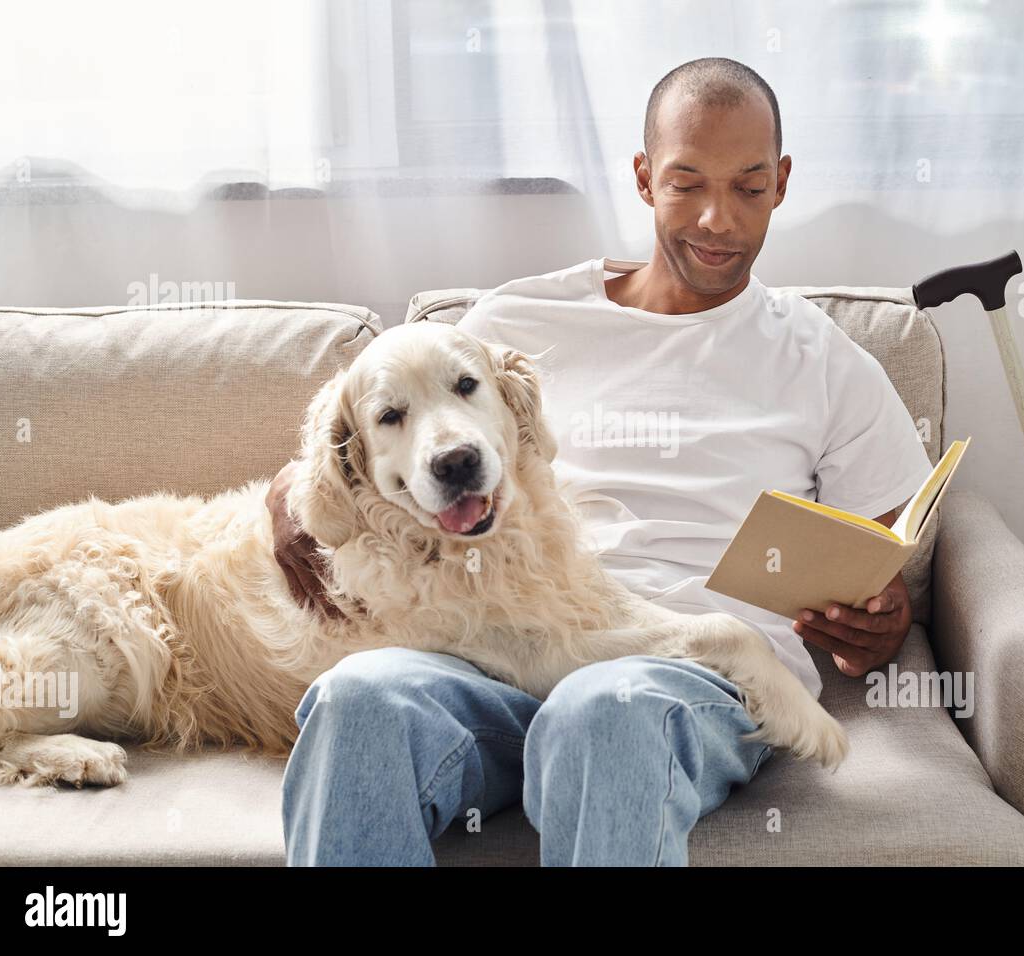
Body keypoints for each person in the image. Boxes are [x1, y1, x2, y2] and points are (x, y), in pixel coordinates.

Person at [269, 56, 932, 866]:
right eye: (688, 183)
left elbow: (883, 574)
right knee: (355, 698)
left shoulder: (830, 364)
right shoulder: (515, 318)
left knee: (604, 705)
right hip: (495, 658)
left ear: (783, 183)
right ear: (645, 177)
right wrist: (287, 507)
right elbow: (370, 432)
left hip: (681, 682)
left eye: (749, 188)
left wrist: (880, 627)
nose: (719, 220)